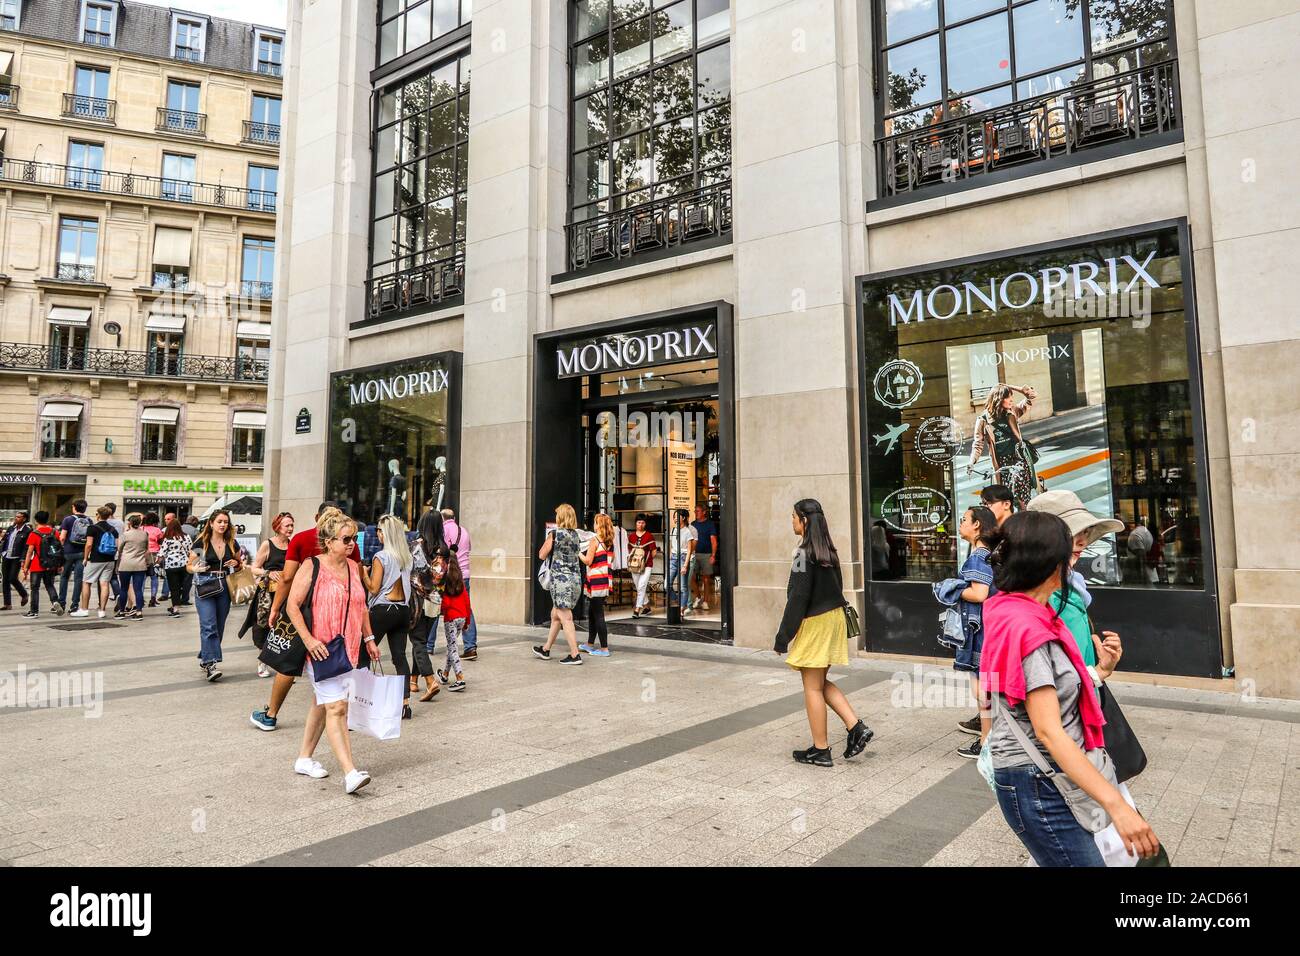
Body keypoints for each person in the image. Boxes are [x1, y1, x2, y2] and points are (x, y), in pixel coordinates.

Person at [981, 510, 1160, 866]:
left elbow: (1044, 696)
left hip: (1043, 777)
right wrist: (1116, 805)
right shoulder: (1028, 630)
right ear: (1053, 565)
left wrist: (1098, 673)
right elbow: (1049, 730)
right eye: (1071, 553)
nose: (1075, 561)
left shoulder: (1017, 612)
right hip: (1039, 781)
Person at [284, 510, 379, 793]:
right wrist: (309, 640)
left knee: (322, 702)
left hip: (347, 647)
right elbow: (292, 605)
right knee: (337, 707)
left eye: (354, 538)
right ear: (328, 541)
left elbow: (360, 605)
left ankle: (304, 758)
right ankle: (350, 773)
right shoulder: (312, 566)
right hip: (321, 650)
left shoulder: (353, 567)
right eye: (346, 539)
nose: (352, 544)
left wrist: (369, 638)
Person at [774, 499, 871, 767]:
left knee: (812, 688)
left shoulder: (803, 555)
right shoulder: (828, 551)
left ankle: (821, 749)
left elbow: (797, 598)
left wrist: (783, 636)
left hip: (816, 621)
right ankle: (855, 727)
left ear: (804, 521)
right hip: (834, 618)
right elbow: (837, 588)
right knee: (818, 682)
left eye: (793, 516)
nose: (791, 521)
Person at [253, 503, 359, 731]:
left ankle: (271, 714)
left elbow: (288, 578)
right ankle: (341, 713)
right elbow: (355, 582)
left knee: (288, 664)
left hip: (304, 613)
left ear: (317, 516)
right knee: (337, 664)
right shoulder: (348, 541)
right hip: (337, 617)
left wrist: (276, 608)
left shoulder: (302, 539)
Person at [1027, 491, 1125, 675]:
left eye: (1086, 532)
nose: (1083, 541)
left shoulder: (1070, 585)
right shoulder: (1042, 594)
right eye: (1073, 532)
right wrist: (1099, 674)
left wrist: (1100, 671)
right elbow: (1052, 680)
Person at [951, 506, 998, 758]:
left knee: (982, 689)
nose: (961, 524)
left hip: (980, 629)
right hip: (989, 625)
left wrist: (951, 589)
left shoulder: (978, 556)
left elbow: (979, 594)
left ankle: (986, 742)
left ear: (977, 525)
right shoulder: (988, 554)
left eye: (964, 520)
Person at [364, 514, 416, 717]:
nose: (377, 533)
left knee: (364, 653)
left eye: (379, 530)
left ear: (385, 534)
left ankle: (364, 701)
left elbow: (374, 588)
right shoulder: (407, 557)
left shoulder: (381, 557)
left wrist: (363, 573)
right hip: (402, 610)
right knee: (400, 657)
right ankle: (404, 704)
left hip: (382, 610)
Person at [190, 509, 242, 682]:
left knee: (218, 626)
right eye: (219, 521)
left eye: (225, 522)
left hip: (224, 587)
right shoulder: (201, 542)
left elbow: (240, 563)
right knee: (209, 626)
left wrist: (235, 562)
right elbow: (189, 565)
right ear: (211, 523)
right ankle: (210, 664)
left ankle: (205, 653)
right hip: (205, 587)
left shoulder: (232, 543)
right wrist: (195, 568)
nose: (222, 525)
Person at [967, 384, 1040, 508]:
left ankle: (1025, 515)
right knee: (1006, 500)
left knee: (1020, 489)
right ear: (998, 399)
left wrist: (1014, 388)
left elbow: (1032, 397)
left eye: (1011, 397)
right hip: (1001, 464)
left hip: (1018, 459)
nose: (1011, 400)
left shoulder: (1013, 412)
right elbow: (978, 443)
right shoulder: (983, 420)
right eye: (1008, 397)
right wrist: (971, 462)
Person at [244, 512, 293, 677]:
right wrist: (268, 572)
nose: (290, 528)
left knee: (284, 628)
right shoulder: (268, 544)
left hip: (286, 592)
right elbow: (254, 568)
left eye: (292, 525)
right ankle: (263, 660)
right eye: (287, 525)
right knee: (263, 626)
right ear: (278, 527)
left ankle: (283, 668)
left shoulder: (293, 545)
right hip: (267, 594)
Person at [533, 503, 583, 664]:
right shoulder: (576, 535)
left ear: (560, 517)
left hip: (560, 581)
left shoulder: (554, 534)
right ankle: (546, 649)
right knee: (555, 615)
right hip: (575, 580)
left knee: (566, 617)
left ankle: (575, 654)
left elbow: (541, 554)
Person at [441, 507, 477, 661]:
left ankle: (428, 645)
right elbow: (468, 550)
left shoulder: (443, 530)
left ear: (442, 518)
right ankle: (470, 647)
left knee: (437, 605)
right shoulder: (464, 531)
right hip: (465, 575)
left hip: (449, 575)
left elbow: (441, 552)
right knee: (466, 608)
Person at [578, 513, 614, 657]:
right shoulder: (610, 542)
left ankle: (604, 649)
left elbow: (588, 561)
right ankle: (590, 644)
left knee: (598, 615)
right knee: (593, 613)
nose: (593, 524)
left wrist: (578, 553)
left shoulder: (595, 541)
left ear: (598, 525)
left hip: (595, 581)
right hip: (605, 580)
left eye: (595, 522)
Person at [75, 507, 118, 619]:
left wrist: (85, 558)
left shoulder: (92, 528)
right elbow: (117, 545)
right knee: (104, 584)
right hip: (109, 559)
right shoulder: (113, 529)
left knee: (86, 582)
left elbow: (89, 544)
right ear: (108, 515)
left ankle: (84, 609)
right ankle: (102, 611)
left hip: (95, 559)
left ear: (98, 515)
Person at [436, 550, 470, 691]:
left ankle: (460, 677)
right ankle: (445, 674)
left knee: (452, 647)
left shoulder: (445, 580)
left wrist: (440, 608)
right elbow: (467, 601)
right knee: (452, 646)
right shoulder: (460, 580)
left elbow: (446, 603)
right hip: (462, 617)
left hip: (451, 618)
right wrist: (467, 621)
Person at [20, 510, 64, 618]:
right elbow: (59, 548)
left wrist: (25, 567)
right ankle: (55, 601)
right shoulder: (54, 532)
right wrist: (60, 564)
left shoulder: (34, 533)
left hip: (37, 564)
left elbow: (30, 551)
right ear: (47, 519)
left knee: (34, 588)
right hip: (51, 564)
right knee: (49, 585)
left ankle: (34, 611)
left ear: (36, 520)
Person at [58, 499, 92, 614]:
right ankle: (74, 605)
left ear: (74, 507)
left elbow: (62, 537)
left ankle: (61, 603)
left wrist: (61, 548)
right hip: (82, 553)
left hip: (68, 552)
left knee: (64, 577)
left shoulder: (68, 519)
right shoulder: (89, 520)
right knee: (78, 579)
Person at [114, 513, 150, 620]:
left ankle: (121, 611)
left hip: (125, 564)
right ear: (140, 523)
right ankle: (139, 611)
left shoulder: (125, 535)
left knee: (124, 588)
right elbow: (146, 549)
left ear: (129, 523)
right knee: (138, 589)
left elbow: (119, 549)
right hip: (140, 564)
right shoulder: (144, 534)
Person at [158, 518, 191, 619]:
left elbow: (162, 553)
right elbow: (191, 550)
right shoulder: (186, 537)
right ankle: (175, 605)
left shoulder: (168, 539)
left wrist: (157, 563)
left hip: (171, 566)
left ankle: (175, 608)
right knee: (181, 586)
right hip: (184, 565)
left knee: (174, 587)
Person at [667, 508, 696, 617]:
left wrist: (685, 565)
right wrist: (671, 555)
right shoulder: (673, 530)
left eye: (677, 517)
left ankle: (681, 609)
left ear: (683, 518)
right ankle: (679, 601)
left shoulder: (687, 531)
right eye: (674, 517)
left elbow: (689, 550)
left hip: (683, 557)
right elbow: (671, 545)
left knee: (683, 587)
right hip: (674, 558)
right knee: (667, 584)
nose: (675, 519)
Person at [689, 504, 718, 612]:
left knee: (706, 579)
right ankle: (698, 597)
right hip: (694, 554)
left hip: (706, 555)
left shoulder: (710, 524)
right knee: (690, 576)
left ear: (704, 512)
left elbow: (714, 541)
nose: (696, 513)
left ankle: (705, 602)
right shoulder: (692, 524)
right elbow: (690, 540)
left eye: (698, 511)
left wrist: (713, 555)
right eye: (695, 511)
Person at [627, 514, 656, 618]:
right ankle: (647, 606)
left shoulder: (649, 536)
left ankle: (637, 609)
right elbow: (629, 550)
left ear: (645, 524)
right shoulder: (631, 536)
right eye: (639, 522)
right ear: (635, 523)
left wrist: (646, 561)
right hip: (634, 566)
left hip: (647, 565)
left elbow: (654, 551)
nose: (641, 524)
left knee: (642, 585)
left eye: (643, 522)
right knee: (639, 587)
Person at [2, 511, 31, 610]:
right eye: (16, 516)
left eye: (19, 517)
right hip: (6, 556)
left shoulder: (27, 531)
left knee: (12, 578)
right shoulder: (11, 528)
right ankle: (7, 604)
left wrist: (23, 558)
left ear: (24, 519)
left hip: (17, 557)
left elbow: (26, 547)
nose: (16, 518)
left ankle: (24, 594)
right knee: (5, 580)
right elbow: (5, 540)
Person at [142, 512, 167, 607]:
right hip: (155, 555)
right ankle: (153, 598)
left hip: (143, 555)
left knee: (142, 578)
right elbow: (161, 542)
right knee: (154, 577)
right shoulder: (157, 530)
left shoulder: (141, 529)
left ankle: (141, 598)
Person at [1126, 517, 1157, 585]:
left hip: (1143, 571)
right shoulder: (1145, 533)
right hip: (1148, 569)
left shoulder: (1135, 535)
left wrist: (1144, 576)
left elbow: (1141, 557)